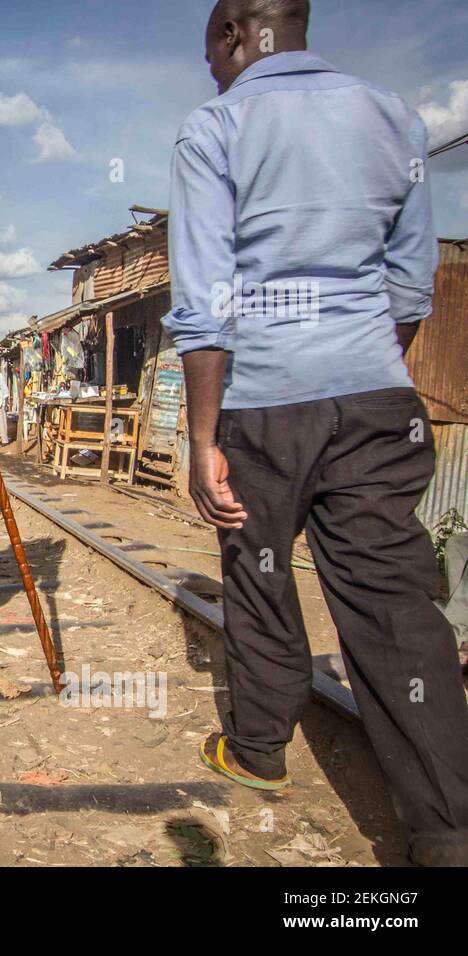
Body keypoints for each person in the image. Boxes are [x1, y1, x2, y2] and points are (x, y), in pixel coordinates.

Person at [164, 0, 468, 865]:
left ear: (231, 35)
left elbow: (206, 301)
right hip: (375, 395)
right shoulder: (392, 114)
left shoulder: (215, 126)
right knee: (398, 607)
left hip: (263, 402)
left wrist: (202, 436)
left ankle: (259, 750)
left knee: (259, 573)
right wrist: (363, 366)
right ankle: (447, 832)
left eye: (212, 53)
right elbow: (413, 287)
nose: (214, 71)